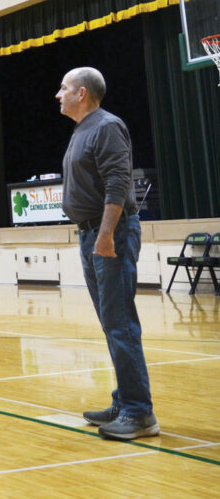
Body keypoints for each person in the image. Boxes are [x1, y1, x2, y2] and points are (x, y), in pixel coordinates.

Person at [57, 66, 159, 441]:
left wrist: (105, 235)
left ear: (81, 93)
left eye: (64, 88)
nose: (58, 94)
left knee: (120, 323)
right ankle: (124, 400)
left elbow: (118, 183)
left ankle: (139, 413)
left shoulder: (105, 126)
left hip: (109, 235)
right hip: (92, 236)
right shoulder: (82, 129)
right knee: (111, 323)